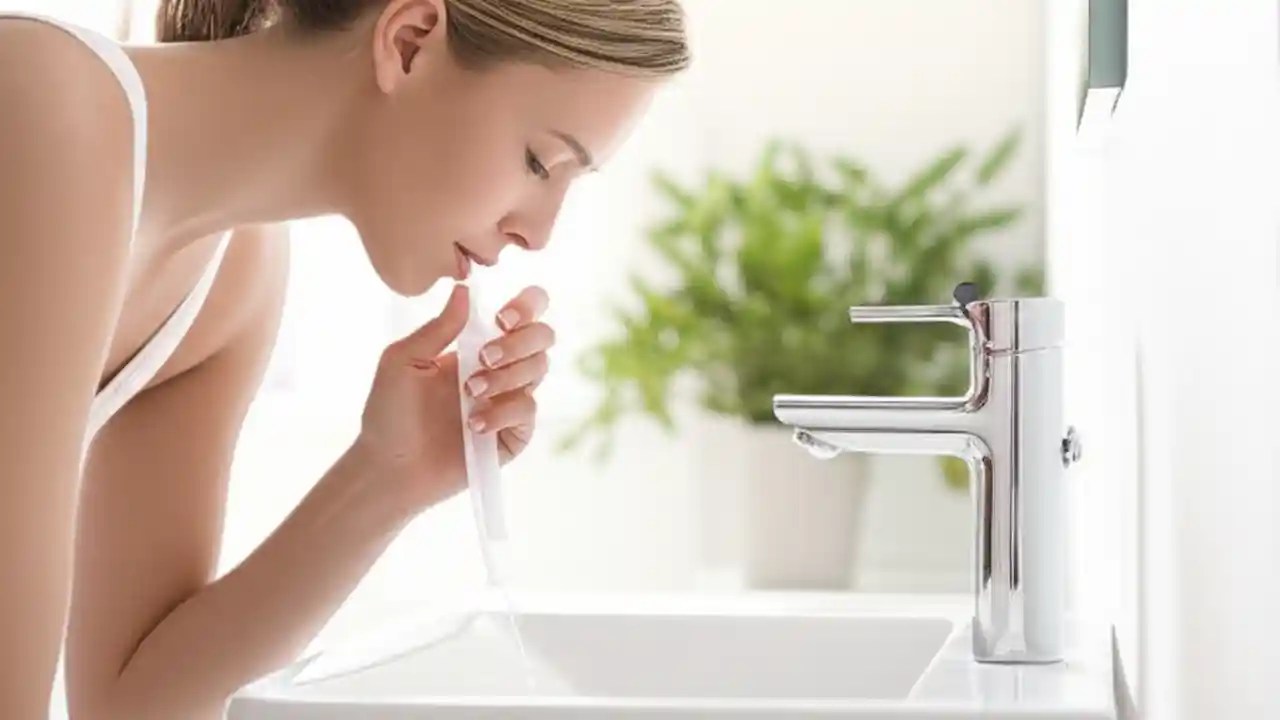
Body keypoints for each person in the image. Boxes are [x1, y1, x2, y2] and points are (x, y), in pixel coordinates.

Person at [0, 0, 690, 716]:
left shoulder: (232, 280)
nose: (538, 233)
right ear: (411, 41)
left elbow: (128, 707)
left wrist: (387, 477)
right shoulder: (48, 111)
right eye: (539, 162)